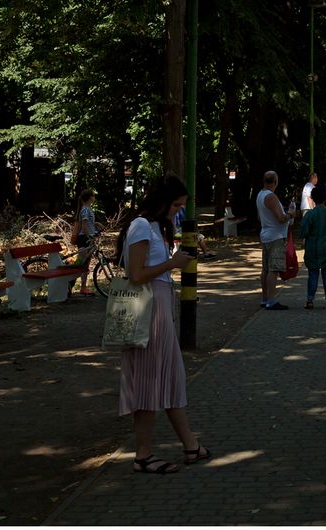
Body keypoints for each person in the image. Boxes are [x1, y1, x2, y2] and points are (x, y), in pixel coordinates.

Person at [118, 174, 211, 474]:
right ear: (161, 201)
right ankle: (143, 455)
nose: (177, 212)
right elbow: (136, 274)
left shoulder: (156, 227)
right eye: (175, 205)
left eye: (181, 206)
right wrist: (173, 264)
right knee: (147, 381)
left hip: (159, 307)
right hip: (148, 309)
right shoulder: (142, 226)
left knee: (172, 378)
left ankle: (190, 444)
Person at [256, 170, 296, 310]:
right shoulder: (271, 197)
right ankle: (271, 300)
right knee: (273, 269)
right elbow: (280, 218)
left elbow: (260, 217)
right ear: (275, 181)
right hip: (276, 236)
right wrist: (290, 214)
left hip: (266, 234)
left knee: (265, 269)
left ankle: (264, 298)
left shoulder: (260, 195)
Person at [299, 184, 326, 310]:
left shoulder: (310, 214)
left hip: (313, 247)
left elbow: (303, 232)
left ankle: (310, 300)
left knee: (313, 274)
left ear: (313, 199)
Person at [73, 189, 98, 294]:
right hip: (84, 239)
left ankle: (83, 287)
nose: (94, 197)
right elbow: (84, 225)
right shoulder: (85, 210)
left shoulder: (88, 209)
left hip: (88, 238)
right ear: (89, 197)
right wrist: (90, 236)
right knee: (81, 263)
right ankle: (70, 282)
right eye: (93, 195)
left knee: (85, 264)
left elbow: (89, 223)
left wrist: (97, 224)